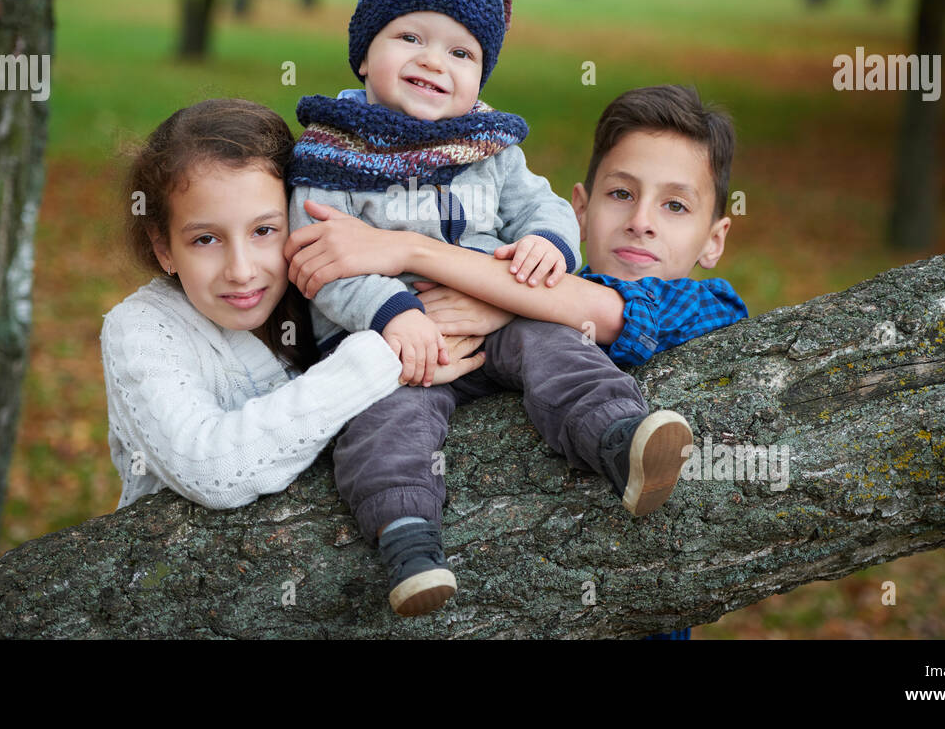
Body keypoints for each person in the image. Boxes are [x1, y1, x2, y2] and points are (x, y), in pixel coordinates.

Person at [286, 0, 696, 617]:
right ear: (364, 55)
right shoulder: (332, 150)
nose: (431, 60)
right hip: (385, 344)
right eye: (409, 37)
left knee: (558, 342)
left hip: (494, 319)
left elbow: (544, 204)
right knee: (384, 423)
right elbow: (320, 266)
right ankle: (407, 538)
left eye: (460, 52)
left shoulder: (492, 148)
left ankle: (621, 437)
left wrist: (547, 241)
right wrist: (395, 314)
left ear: (480, 75)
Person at [287, 84, 750, 636]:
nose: (642, 221)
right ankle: (406, 534)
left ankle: (623, 443)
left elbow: (607, 311)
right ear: (579, 208)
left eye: (675, 205)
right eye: (621, 194)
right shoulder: (537, 275)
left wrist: (418, 254)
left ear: (714, 239)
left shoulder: (710, 307)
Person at [99, 98, 487, 513]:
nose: (241, 270)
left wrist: (491, 303)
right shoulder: (140, 328)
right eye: (205, 239)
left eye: (264, 230)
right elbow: (210, 469)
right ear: (164, 249)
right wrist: (386, 358)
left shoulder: (335, 293)